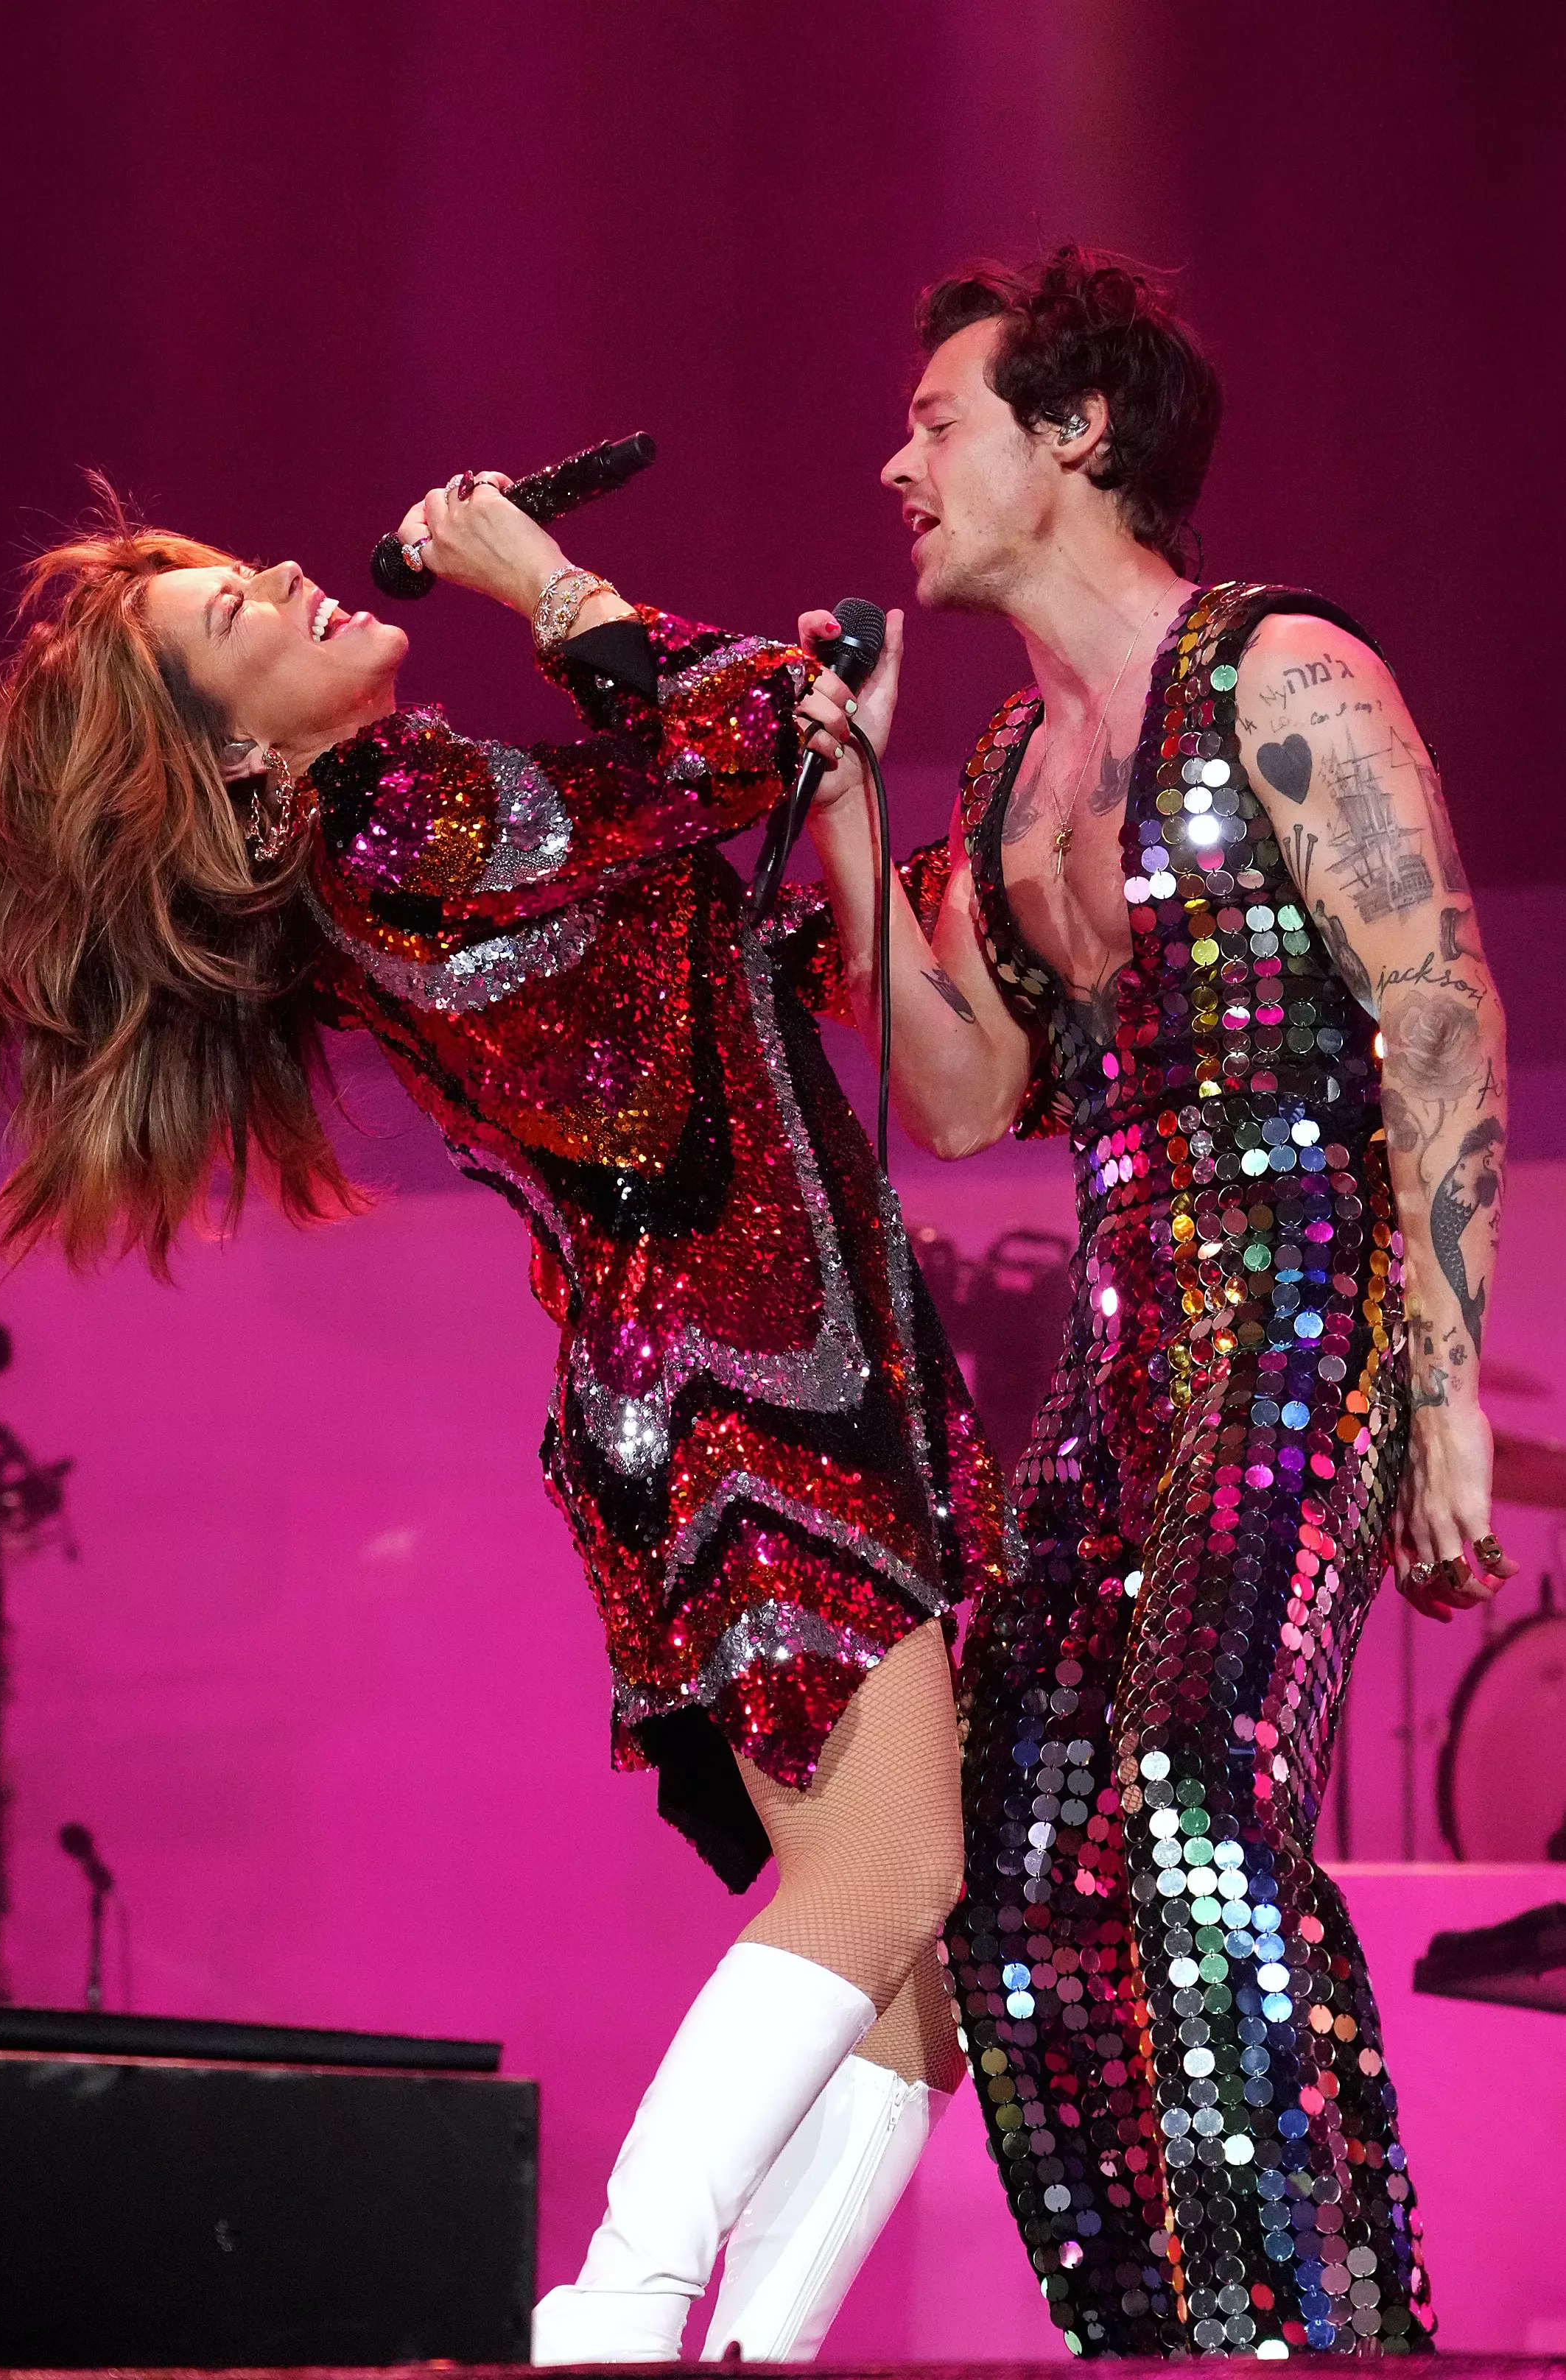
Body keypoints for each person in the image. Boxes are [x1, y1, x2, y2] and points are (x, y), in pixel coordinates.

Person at [0, 472, 1003, 2362]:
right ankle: (612, 2320)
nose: (279, 570)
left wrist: (808, 742)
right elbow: (734, 734)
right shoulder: (391, 816)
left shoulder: (407, 820)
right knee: (890, 1877)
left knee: (910, 1984)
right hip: (746, 1400)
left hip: (768, 1384)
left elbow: (728, 808)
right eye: (225, 617)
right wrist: (541, 572)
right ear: (233, 767)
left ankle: (722, 2349)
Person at [803, 247, 1514, 2357]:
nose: (894, 462)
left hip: (1297, 1328)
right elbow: (953, 1098)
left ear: (1077, 435)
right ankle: (1167, 2324)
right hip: (1122, 1372)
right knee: (1008, 1867)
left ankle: (1304, 2329)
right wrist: (846, 799)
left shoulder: (1280, 673)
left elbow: (1440, 1014)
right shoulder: (1013, 774)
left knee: (1193, 1793)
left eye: (939, 421)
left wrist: (1442, 1391)